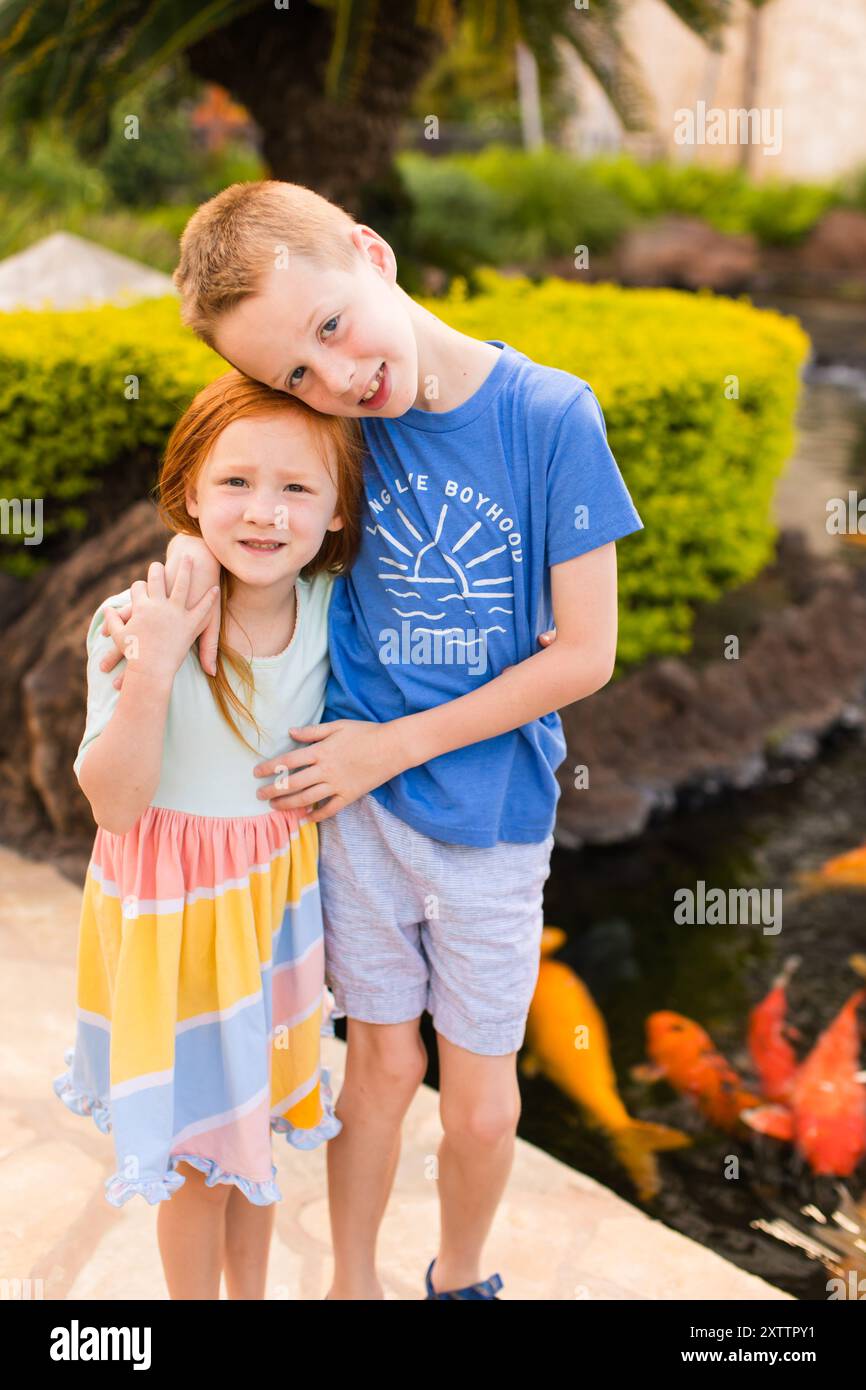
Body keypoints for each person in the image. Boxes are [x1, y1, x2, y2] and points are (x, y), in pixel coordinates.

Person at [100, 179, 645, 1301]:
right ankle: (351, 1282)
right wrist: (190, 557)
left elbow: (582, 655)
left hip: (483, 817)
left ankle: (458, 1277)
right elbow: (238, 484)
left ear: (372, 253)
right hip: (349, 824)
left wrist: (386, 746)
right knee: (380, 1069)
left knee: (485, 1097)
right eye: (297, 370)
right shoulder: (336, 431)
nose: (337, 375)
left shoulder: (548, 417)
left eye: (332, 327)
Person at [54, 368, 363, 1300]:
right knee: (194, 1156)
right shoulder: (132, 620)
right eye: (235, 483)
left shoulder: (334, 617)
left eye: (296, 488)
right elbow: (112, 803)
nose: (264, 512)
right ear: (191, 494)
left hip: (269, 908)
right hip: (174, 916)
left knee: (255, 1125)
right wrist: (155, 662)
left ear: (338, 510)